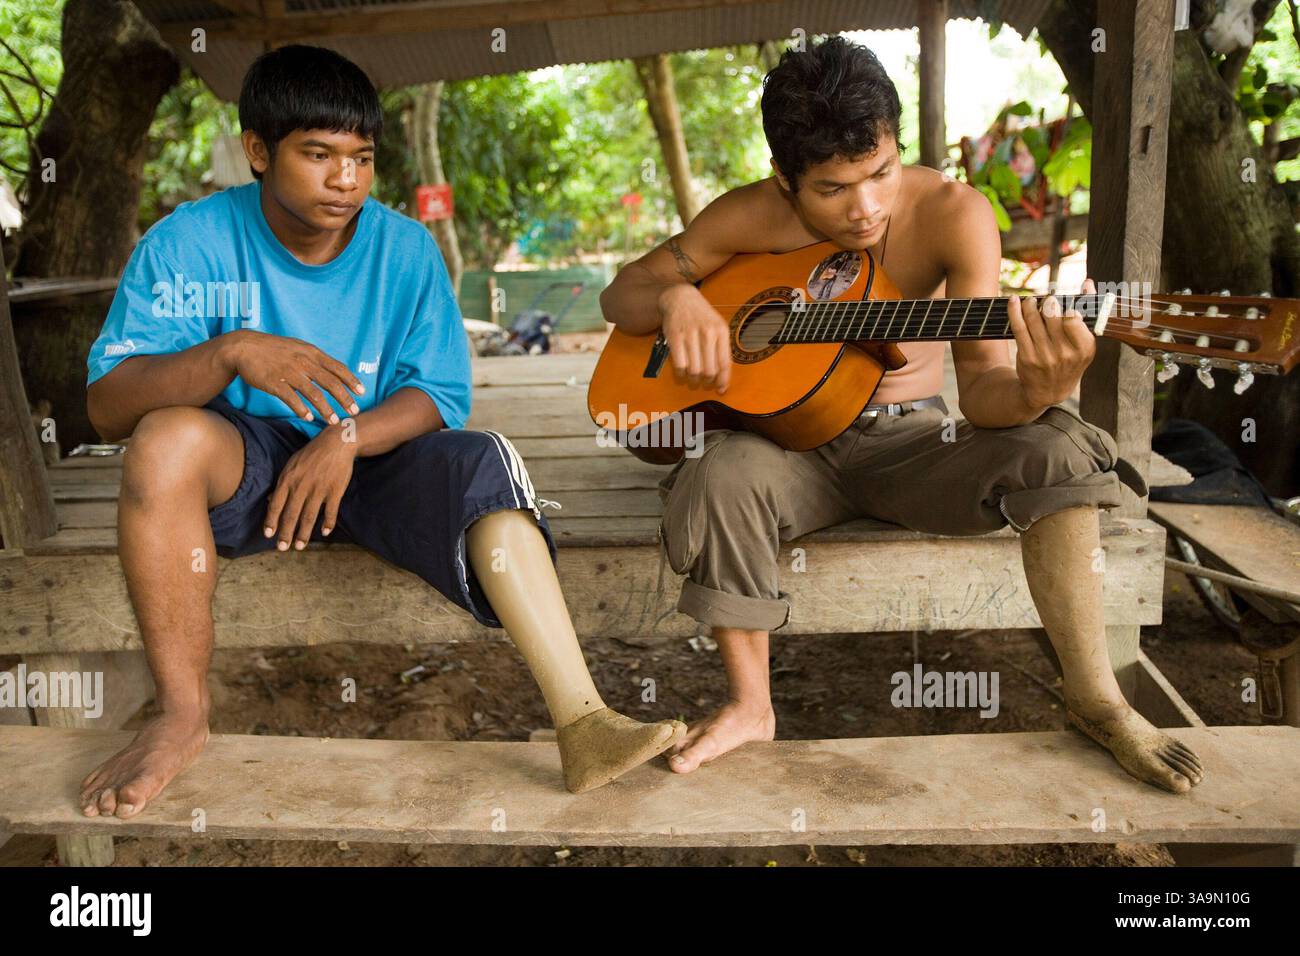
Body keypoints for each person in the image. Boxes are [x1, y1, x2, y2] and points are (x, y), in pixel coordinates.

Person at [80, 45, 683, 820]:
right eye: (318, 155)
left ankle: (584, 720)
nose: (346, 180)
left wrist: (348, 439)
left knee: (483, 460)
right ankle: (182, 715)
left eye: (361, 158)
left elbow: (439, 391)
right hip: (251, 471)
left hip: (377, 459)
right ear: (258, 152)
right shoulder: (189, 244)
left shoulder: (403, 248)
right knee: (163, 438)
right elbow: (106, 405)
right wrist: (232, 351)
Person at [599, 36, 1203, 794]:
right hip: (786, 452)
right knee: (717, 468)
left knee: (1058, 445)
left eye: (880, 171)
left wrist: (1036, 390)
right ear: (785, 181)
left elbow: (984, 390)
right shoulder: (748, 217)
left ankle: (1097, 701)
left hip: (916, 441)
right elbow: (619, 299)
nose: (867, 207)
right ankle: (752, 705)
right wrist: (675, 295)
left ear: (896, 147)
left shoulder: (953, 213)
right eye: (832, 189)